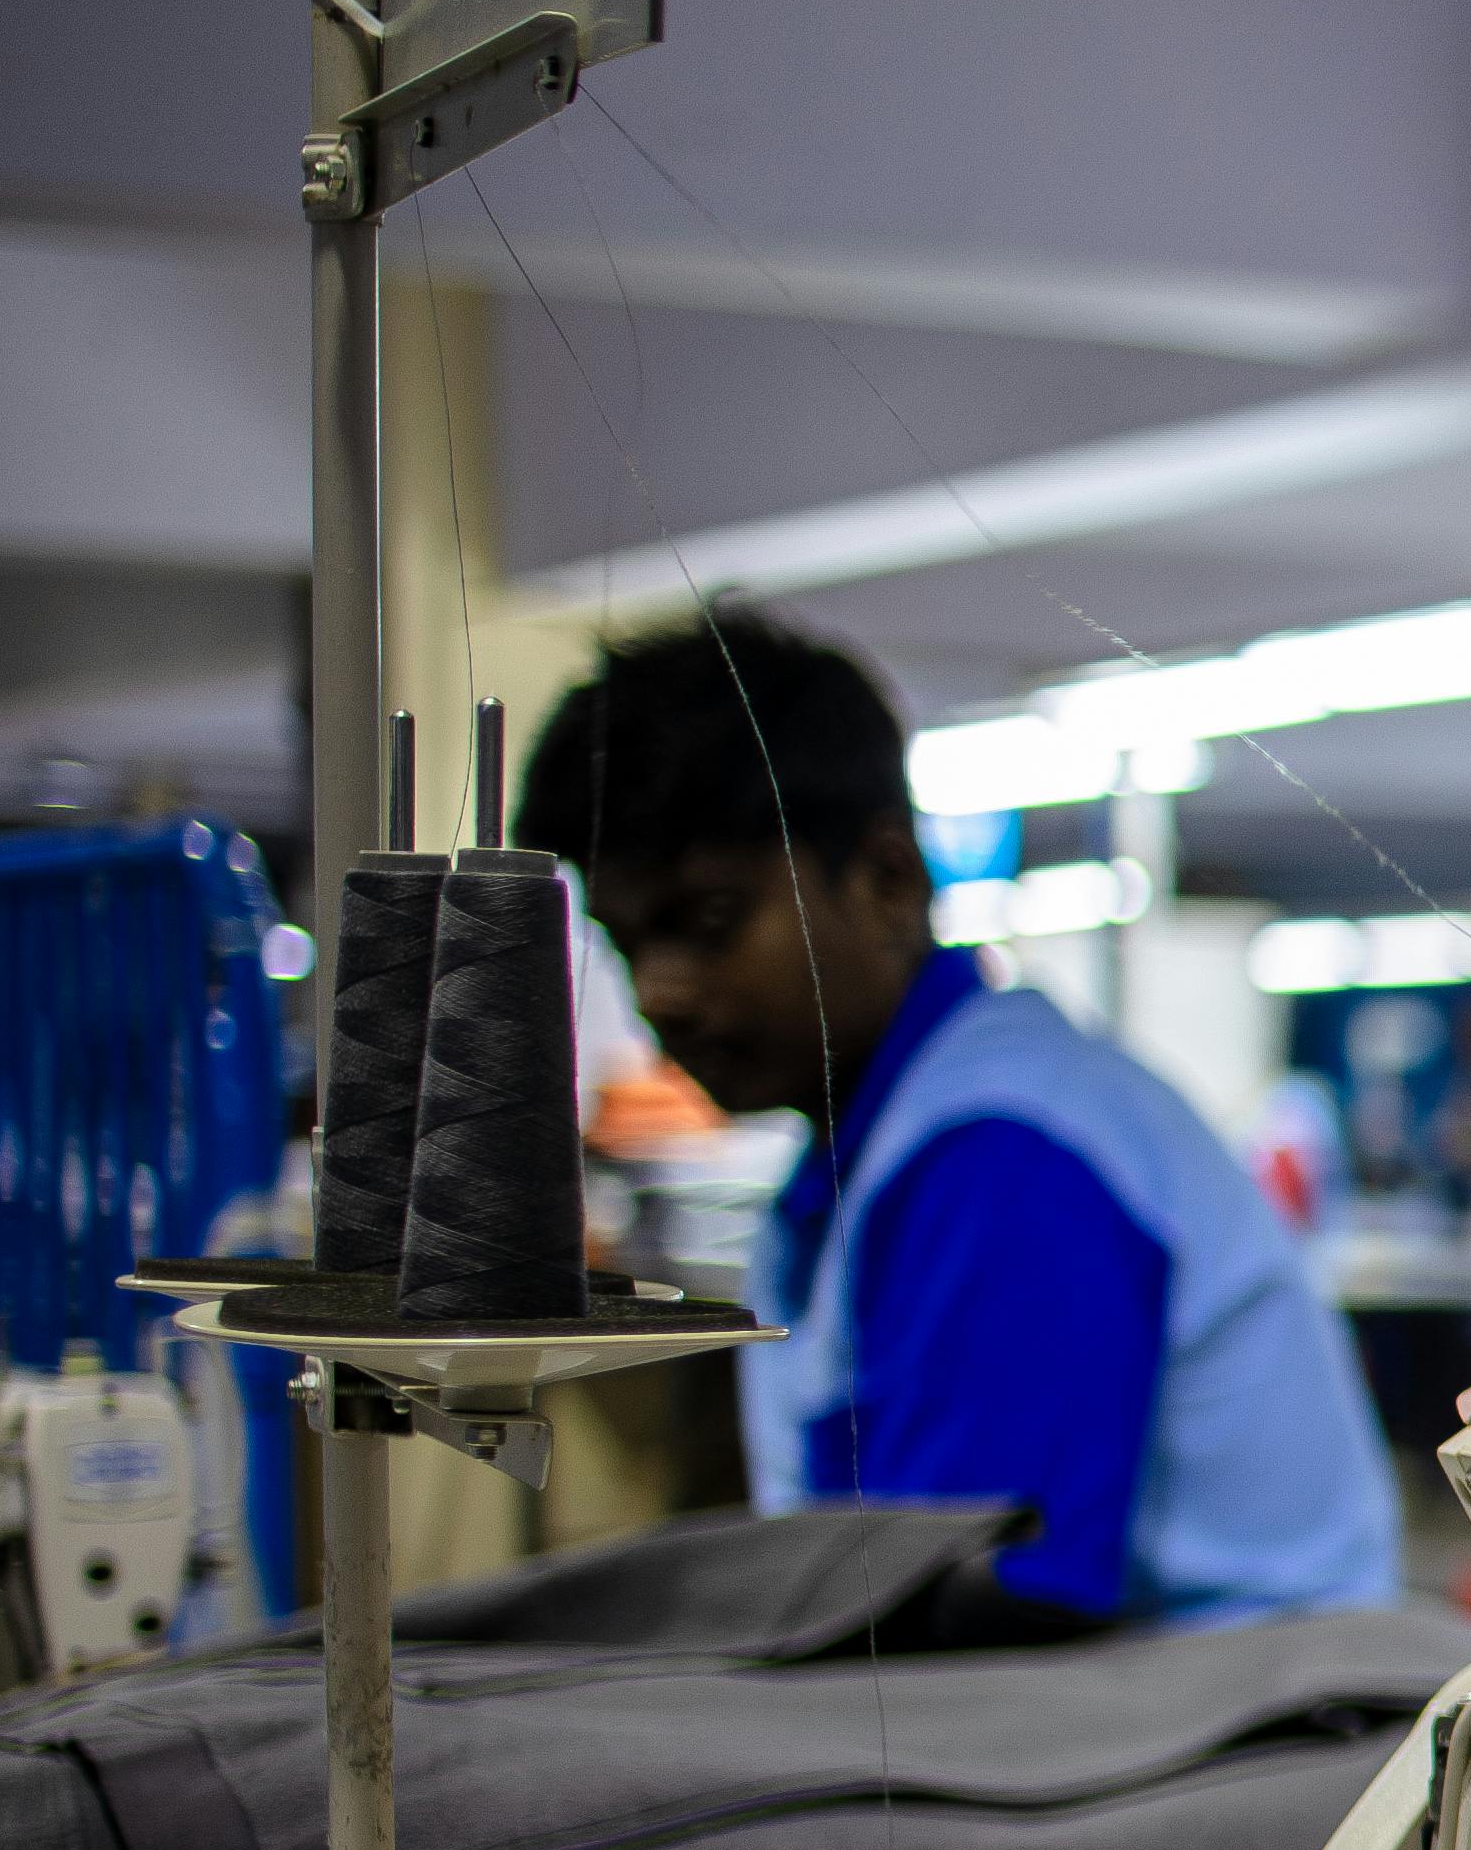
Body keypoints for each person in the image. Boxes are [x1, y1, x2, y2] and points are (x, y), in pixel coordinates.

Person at [520, 613, 1401, 1631]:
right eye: (630, 945)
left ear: (888, 883)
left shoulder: (1004, 1159)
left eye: (712, 920)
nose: (663, 990)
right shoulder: (874, 1149)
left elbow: (977, 1624)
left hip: (1241, 1739)